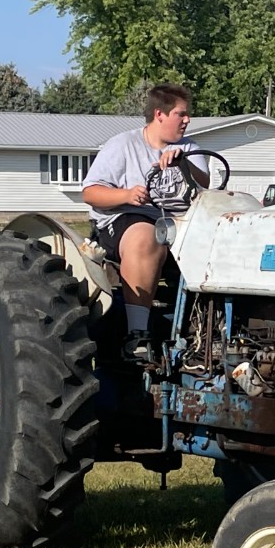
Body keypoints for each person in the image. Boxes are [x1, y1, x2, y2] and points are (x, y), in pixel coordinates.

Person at [82, 83, 209, 363]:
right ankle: (136, 334)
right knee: (146, 235)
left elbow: (207, 183)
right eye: (181, 114)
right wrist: (126, 194)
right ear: (159, 114)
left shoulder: (189, 148)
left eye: (188, 115)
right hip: (125, 220)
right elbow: (90, 192)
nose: (187, 120)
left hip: (178, 223)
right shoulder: (123, 145)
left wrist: (184, 164)